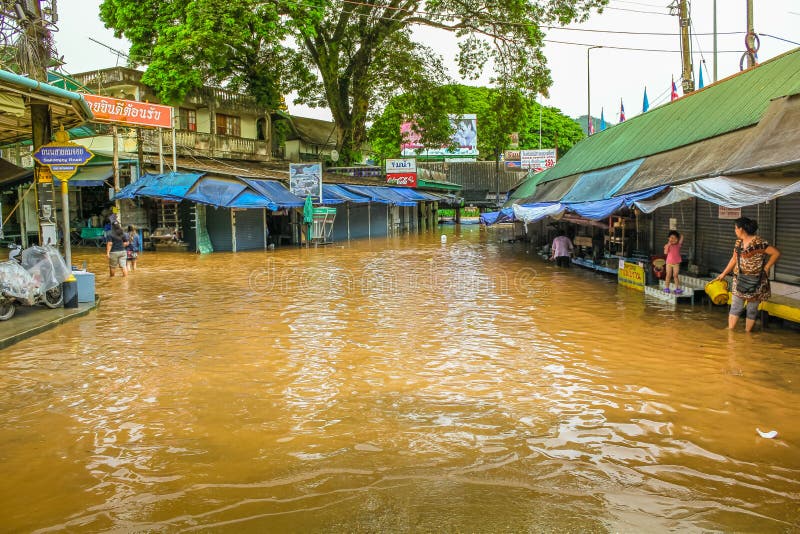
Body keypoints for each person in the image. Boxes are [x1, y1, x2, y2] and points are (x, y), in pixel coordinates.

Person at [713, 217, 781, 332]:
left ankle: (747, 333)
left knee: (752, 309)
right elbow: (734, 259)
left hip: (756, 281)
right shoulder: (738, 243)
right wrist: (723, 274)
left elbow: (776, 253)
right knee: (735, 306)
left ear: (742, 229)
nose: (735, 230)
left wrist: (767, 267)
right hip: (739, 279)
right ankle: (730, 331)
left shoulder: (759, 242)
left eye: (735, 228)